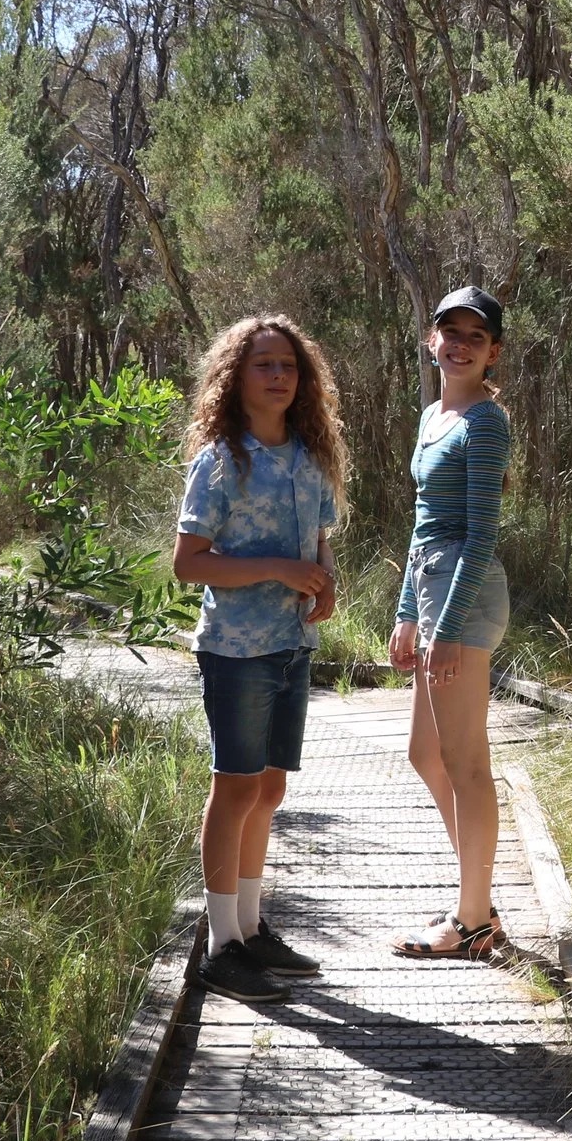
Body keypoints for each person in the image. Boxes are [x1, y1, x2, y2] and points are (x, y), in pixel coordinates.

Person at [171, 315, 345, 1004]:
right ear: (235, 379)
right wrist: (278, 567)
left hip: (292, 644)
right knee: (236, 787)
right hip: (237, 650)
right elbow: (189, 562)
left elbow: (322, 537)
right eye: (263, 364)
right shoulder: (219, 460)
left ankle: (249, 927)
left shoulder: (309, 455)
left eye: (288, 366)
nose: (278, 375)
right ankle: (220, 948)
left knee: (269, 789)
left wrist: (324, 580)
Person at [390, 286, 514, 959]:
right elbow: (422, 524)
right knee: (425, 754)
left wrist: (446, 622)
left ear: (492, 351)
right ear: (431, 339)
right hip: (432, 591)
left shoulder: (484, 423)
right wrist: (408, 613)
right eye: (450, 331)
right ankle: (480, 898)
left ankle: (470, 920)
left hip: (463, 596)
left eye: (476, 335)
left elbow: (481, 532)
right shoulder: (434, 414)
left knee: (466, 760)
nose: (461, 343)